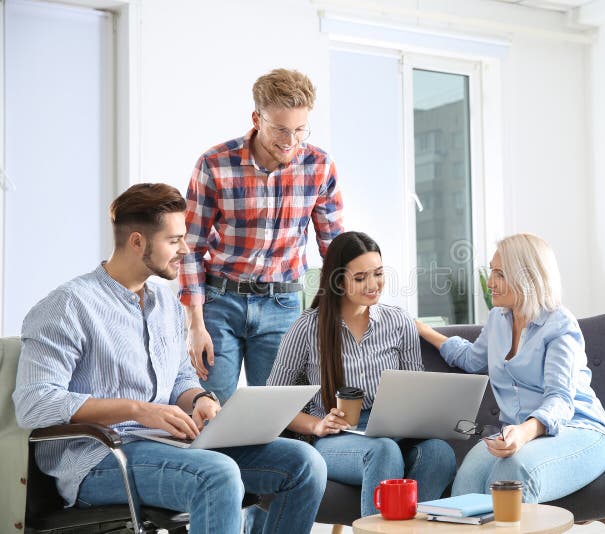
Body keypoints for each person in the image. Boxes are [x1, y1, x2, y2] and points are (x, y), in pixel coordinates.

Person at [13, 183, 326, 534]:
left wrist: (200, 399)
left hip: (169, 446)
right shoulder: (68, 306)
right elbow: (34, 404)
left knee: (304, 463)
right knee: (218, 475)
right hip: (100, 460)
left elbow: (180, 378)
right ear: (137, 242)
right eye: (174, 240)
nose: (185, 249)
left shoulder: (166, 303)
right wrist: (138, 410)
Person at [180, 68, 344, 403]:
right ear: (257, 119)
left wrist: (334, 314)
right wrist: (194, 325)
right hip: (219, 304)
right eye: (280, 129)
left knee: (277, 414)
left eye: (300, 129)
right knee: (211, 411)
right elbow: (190, 248)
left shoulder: (319, 166)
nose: (291, 141)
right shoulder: (215, 164)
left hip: (282, 304)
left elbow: (334, 248)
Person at [267, 231, 456, 516]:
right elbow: (274, 404)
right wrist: (317, 425)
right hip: (336, 439)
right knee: (383, 451)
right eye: (360, 278)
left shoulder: (398, 321)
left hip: (394, 432)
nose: (373, 285)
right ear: (338, 280)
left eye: (378, 274)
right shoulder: (306, 328)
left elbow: (415, 390)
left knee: (439, 454)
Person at [416, 233, 605, 503]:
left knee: (512, 473)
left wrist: (523, 432)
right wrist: (423, 329)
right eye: (491, 271)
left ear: (528, 277)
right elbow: (471, 358)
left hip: (579, 430)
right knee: (469, 476)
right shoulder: (498, 319)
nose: (490, 283)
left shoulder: (559, 325)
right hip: (519, 433)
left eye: (500, 274)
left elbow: (560, 399)